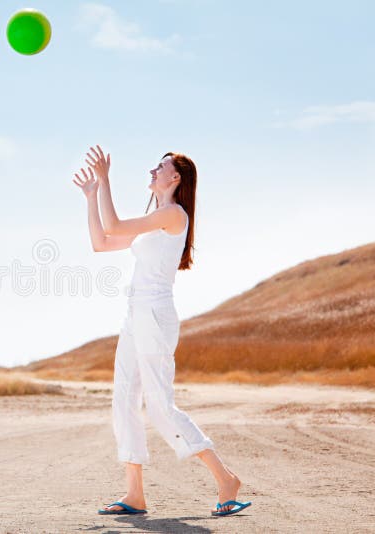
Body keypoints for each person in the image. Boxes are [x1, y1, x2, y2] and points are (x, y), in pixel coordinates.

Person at [73, 146, 251, 517]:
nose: (152, 170)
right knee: (124, 398)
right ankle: (134, 495)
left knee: (159, 406)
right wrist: (92, 197)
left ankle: (226, 479)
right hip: (134, 314)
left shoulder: (173, 214)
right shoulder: (154, 219)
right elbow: (102, 242)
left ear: (176, 178)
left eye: (160, 167)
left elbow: (115, 226)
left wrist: (105, 181)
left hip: (154, 314)